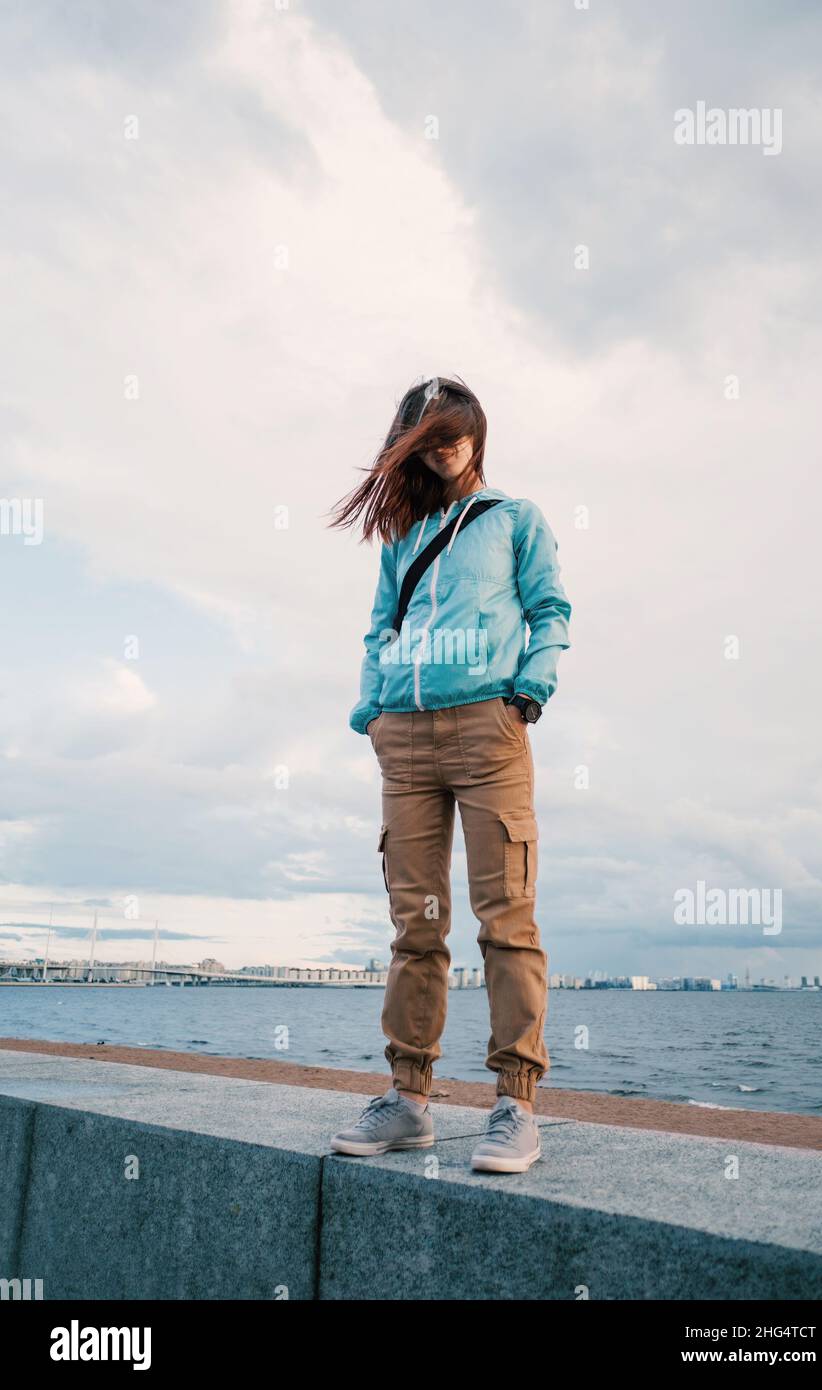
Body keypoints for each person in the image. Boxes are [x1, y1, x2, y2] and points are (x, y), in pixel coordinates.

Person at [328, 377, 570, 1172]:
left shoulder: (513, 520)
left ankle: (516, 1107)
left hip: (487, 729)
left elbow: (550, 611)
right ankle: (408, 1100)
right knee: (415, 928)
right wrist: (373, 712)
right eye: (428, 437)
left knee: (507, 919)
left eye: (454, 433)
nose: (444, 448)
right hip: (405, 741)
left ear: (477, 432)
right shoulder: (404, 535)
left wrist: (527, 693)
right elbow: (378, 630)